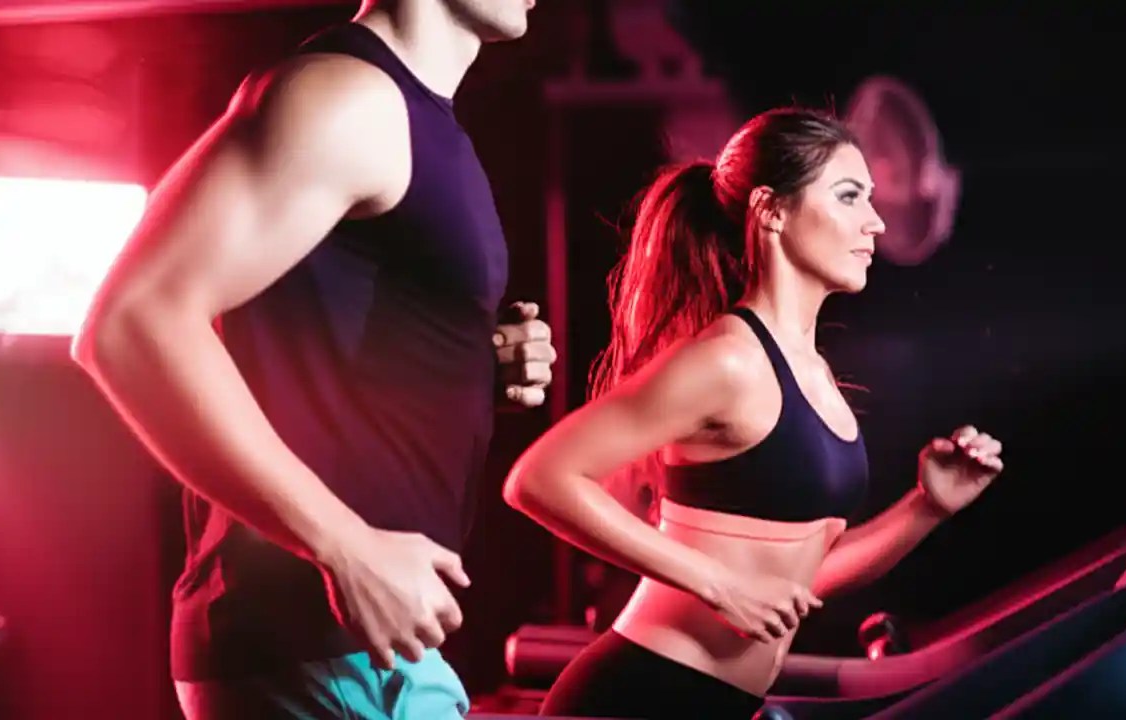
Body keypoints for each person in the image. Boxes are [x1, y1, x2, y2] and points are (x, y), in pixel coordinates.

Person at [71, 1, 553, 718]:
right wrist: (346, 546)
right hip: (312, 647)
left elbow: (310, 342)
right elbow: (131, 323)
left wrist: (467, 372)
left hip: (364, 655)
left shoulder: (414, 118)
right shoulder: (346, 97)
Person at [502, 107, 1005, 719]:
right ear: (771, 210)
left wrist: (927, 508)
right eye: (849, 197)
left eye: (870, 199)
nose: (874, 222)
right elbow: (538, 479)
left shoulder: (813, 373)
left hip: (718, 703)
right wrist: (716, 583)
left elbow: (799, 584)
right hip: (640, 695)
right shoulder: (727, 361)